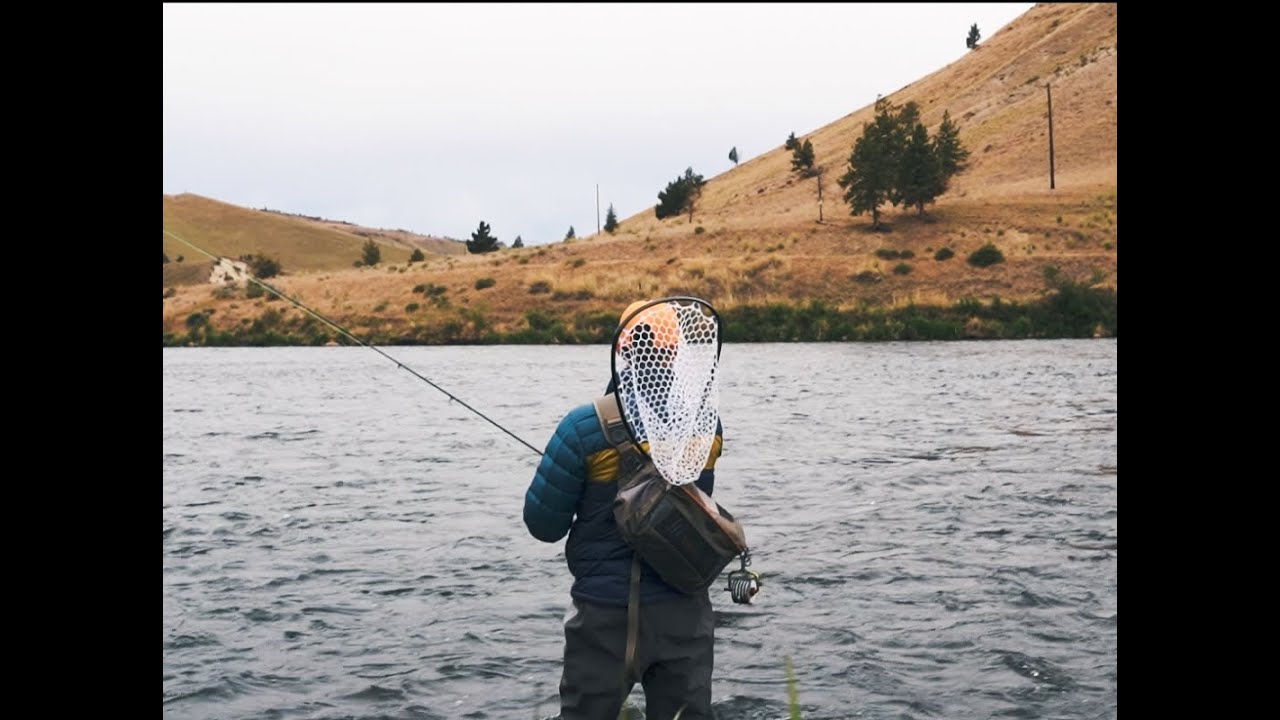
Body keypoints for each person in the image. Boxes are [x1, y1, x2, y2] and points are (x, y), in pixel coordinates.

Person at [523, 299, 724, 720]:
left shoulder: (582, 428)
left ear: (622, 351)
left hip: (603, 616)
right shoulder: (706, 425)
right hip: (684, 613)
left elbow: (543, 525)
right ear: (677, 352)